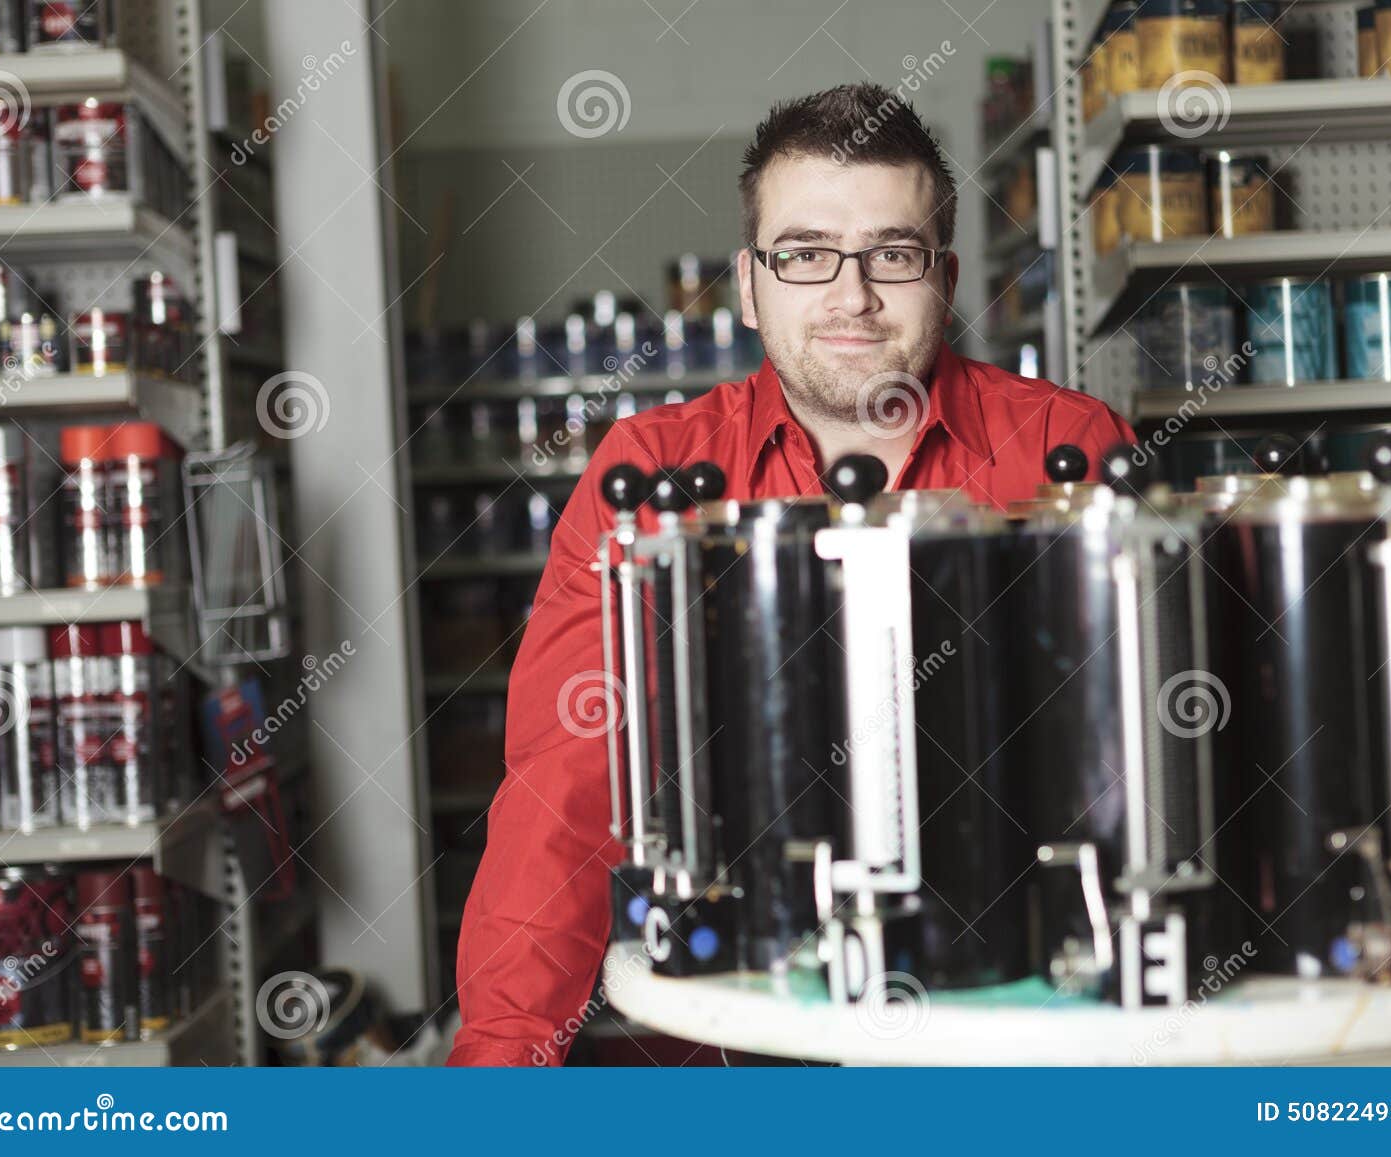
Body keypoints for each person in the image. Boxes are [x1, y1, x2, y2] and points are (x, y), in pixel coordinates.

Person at [448, 82, 1134, 1066]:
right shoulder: (653, 476)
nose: (852, 296)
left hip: (1024, 1013)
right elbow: (566, 785)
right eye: (806, 254)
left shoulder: (1065, 448)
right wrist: (502, 1065)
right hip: (757, 1012)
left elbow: (1142, 762)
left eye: (891, 254)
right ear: (748, 281)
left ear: (943, 276)